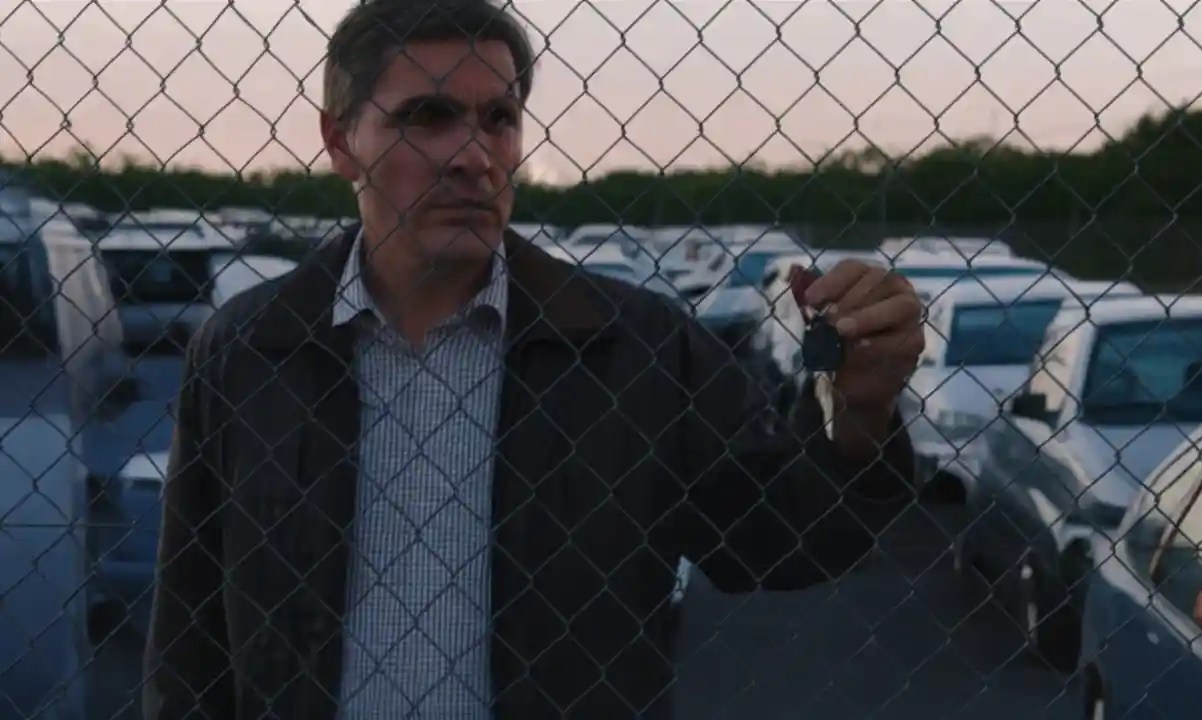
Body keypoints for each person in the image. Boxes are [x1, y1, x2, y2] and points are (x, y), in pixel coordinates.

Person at [142, 0, 925, 718]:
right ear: (341, 141)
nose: (473, 156)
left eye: (499, 118)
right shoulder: (252, 348)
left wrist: (859, 407)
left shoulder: (633, 346)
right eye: (428, 117)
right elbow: (190, 631)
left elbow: (778, 543)